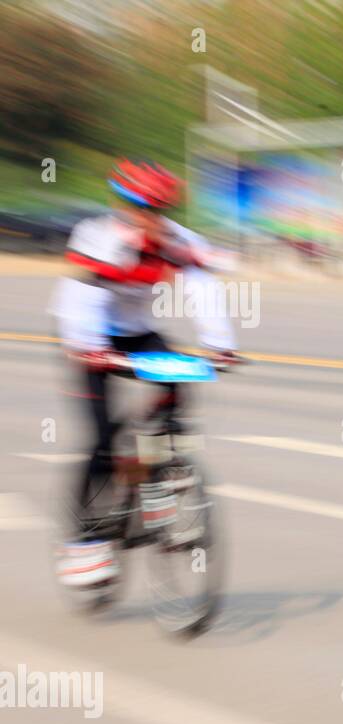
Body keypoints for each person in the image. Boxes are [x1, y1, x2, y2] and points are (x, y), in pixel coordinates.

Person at [49, 159, 240, 589]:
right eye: (140, 210)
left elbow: (204, 291)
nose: (150, 219)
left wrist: (219, 345)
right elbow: (83, 300)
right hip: (86, 334)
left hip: (138, 334)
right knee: (100, 439)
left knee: (180, 387)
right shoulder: (97, 237)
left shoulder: (179, 240)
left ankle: (156, 467)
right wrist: (90, 349)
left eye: (158, 210)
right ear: (125, 208)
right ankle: (85, 541)